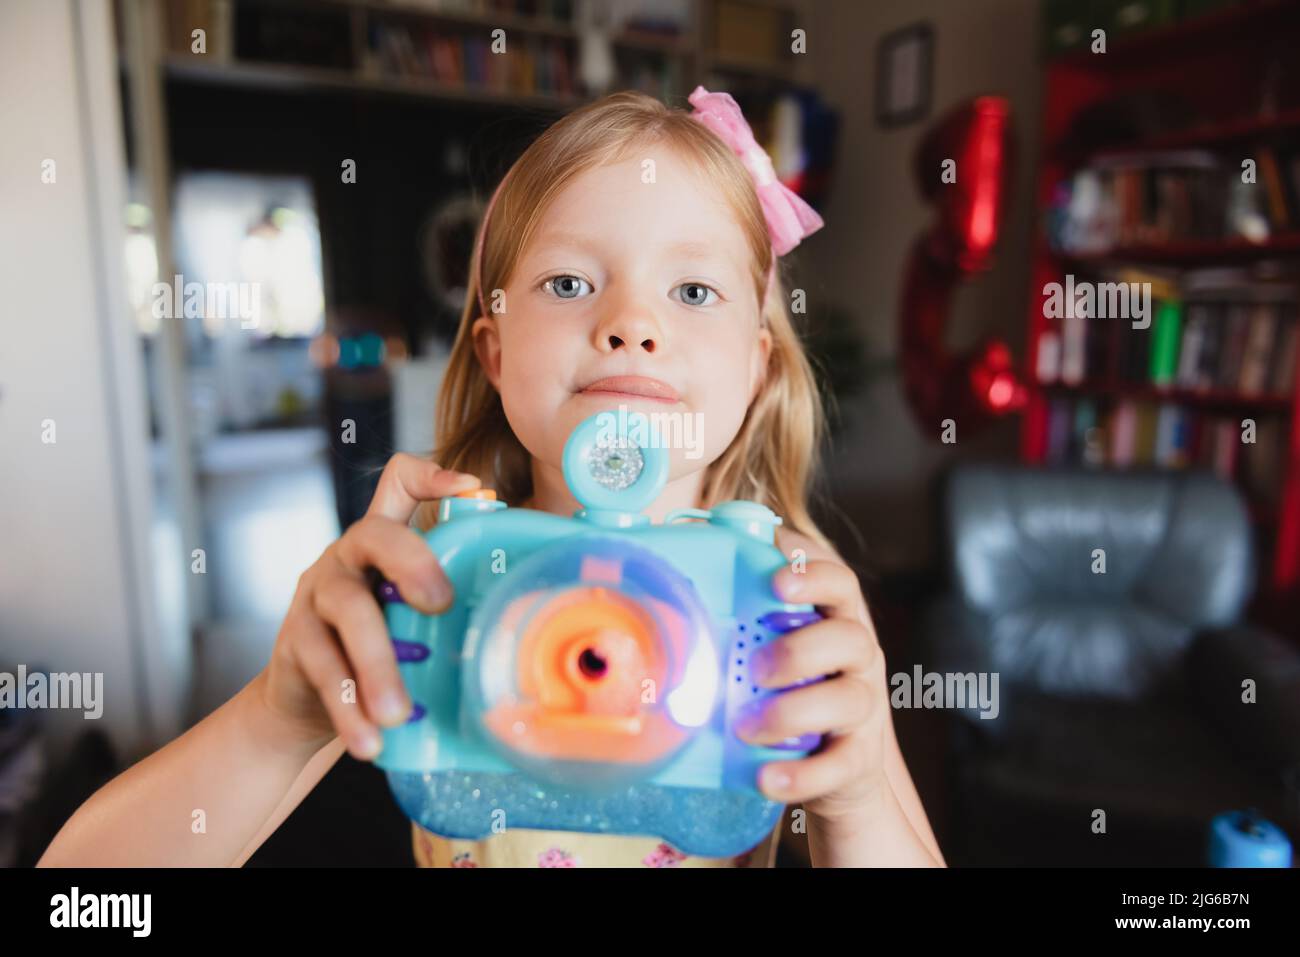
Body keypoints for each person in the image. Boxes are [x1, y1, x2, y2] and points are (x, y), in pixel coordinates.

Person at [39, 87, 943, 868]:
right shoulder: (436, 585)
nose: (630, 322)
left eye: (694, 291)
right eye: (568, 281)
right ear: (495, 352)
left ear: (756, 371)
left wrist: (854, 794)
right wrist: (283, 714)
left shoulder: (784, 610)